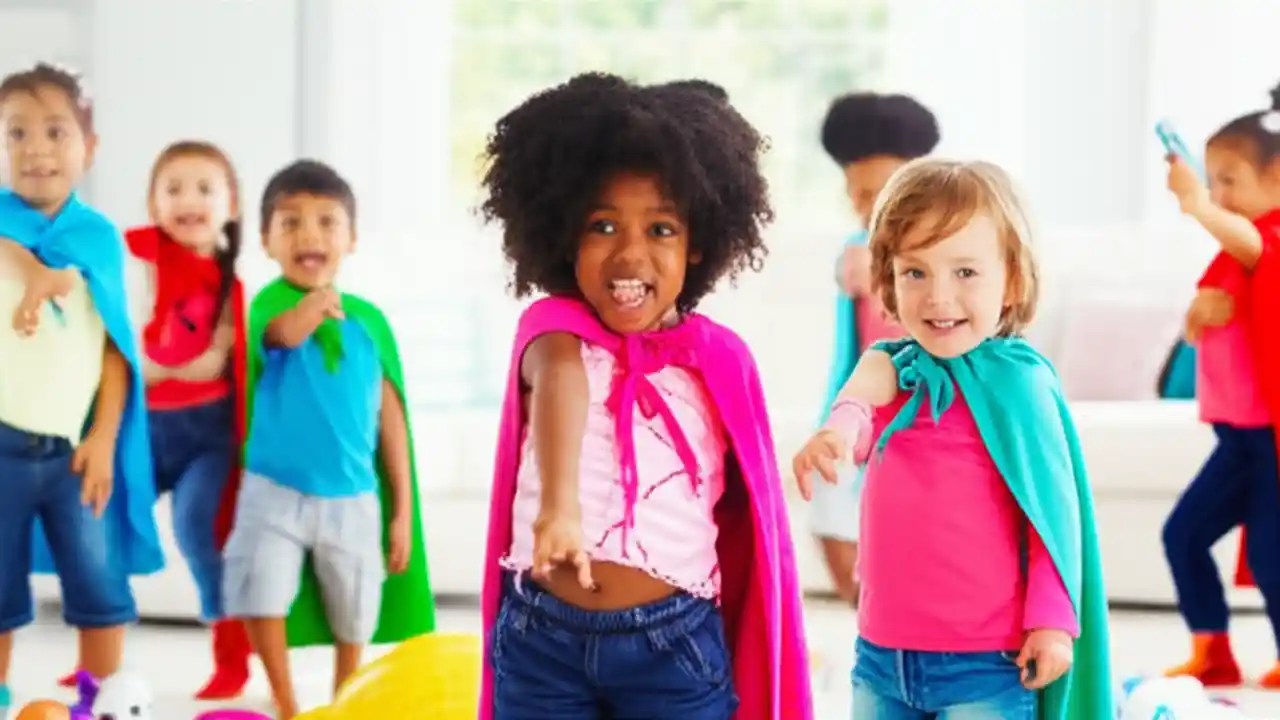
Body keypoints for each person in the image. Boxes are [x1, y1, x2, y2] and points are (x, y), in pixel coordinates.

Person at [476, 73, 811, 720]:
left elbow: (751, 514)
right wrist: (558, 509)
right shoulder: (552, 330)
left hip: (674, 643)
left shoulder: (718, 357)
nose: (630, 254)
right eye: (603, 226)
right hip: (540, 638)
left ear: (700, 245)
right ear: (562, 235)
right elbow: (561, 383)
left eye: (661, 230)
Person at [794, 159, 1111, 718]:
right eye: (915, 273)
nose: (939, 297)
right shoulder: (893, 368)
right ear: (887, 281)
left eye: (965, 273)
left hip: (986, 663)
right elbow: (858, 406)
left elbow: (1052, 516)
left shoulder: (1020, 382)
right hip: (881, 655)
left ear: (1011, 279)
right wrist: (834, 434)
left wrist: (1054, 622)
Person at [221, 160, 434, 719]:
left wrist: (402, 511)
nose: (309, 235)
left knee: (356, 602)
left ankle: (346, 696)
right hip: (273, 489)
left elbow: (393, 422)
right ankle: (286, 700)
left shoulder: (369, 321)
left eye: (326, 222)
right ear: (266, 240)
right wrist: (311, 307)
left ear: (352, 238)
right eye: (289, 223)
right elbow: (281, 335)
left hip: (353, 495)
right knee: (261, 589)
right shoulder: (269, 304)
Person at [0, 63, 163, 717]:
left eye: (54, 131)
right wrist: (32, 270)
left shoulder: (96, 238)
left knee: (99, 584)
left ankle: (102, 701)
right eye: (16, 133)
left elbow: (115, 351)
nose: (35, 148)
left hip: (73, 453)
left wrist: (103, 438)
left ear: (87, 148)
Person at [1161, 81, 1280, 688]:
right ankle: (1213, 649)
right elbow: (1204, 321)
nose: (1218, 194)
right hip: (1236, 435)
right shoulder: (1231, 252)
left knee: (1270, 555)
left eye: (1229, 179)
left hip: (1267, 438)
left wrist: (1194, 205)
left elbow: (1257, 246)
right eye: (1212, 180)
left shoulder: (1269, 235)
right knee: (1183, 534)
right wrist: (1196, 319)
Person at [813, 92, 939, 604]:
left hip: (917, 414)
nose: (868, 208)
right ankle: (866, 612)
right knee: (831, 507)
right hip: (860, 410)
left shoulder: (934, 251)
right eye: (858, 195)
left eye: (881, 193)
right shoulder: (856, 249)